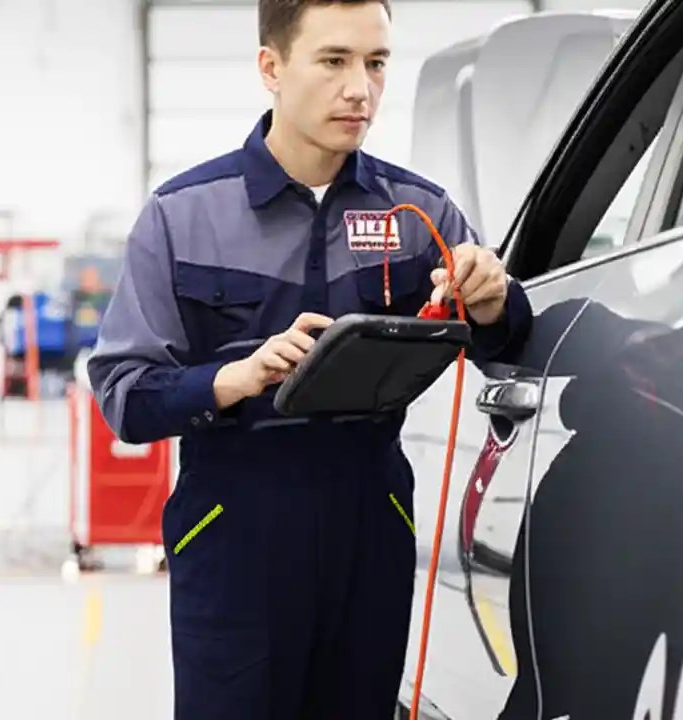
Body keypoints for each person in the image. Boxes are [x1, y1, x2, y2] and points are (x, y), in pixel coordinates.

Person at [87, 1, 533, 717]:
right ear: (271, 67)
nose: (360, 88)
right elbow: (123, 396)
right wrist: (231, 379)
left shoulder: (419, 214)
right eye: (334, 61)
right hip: (235, 524)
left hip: (371, 517)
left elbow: (512, 350)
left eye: (376, 63)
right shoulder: (183, 215)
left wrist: (490, 298)